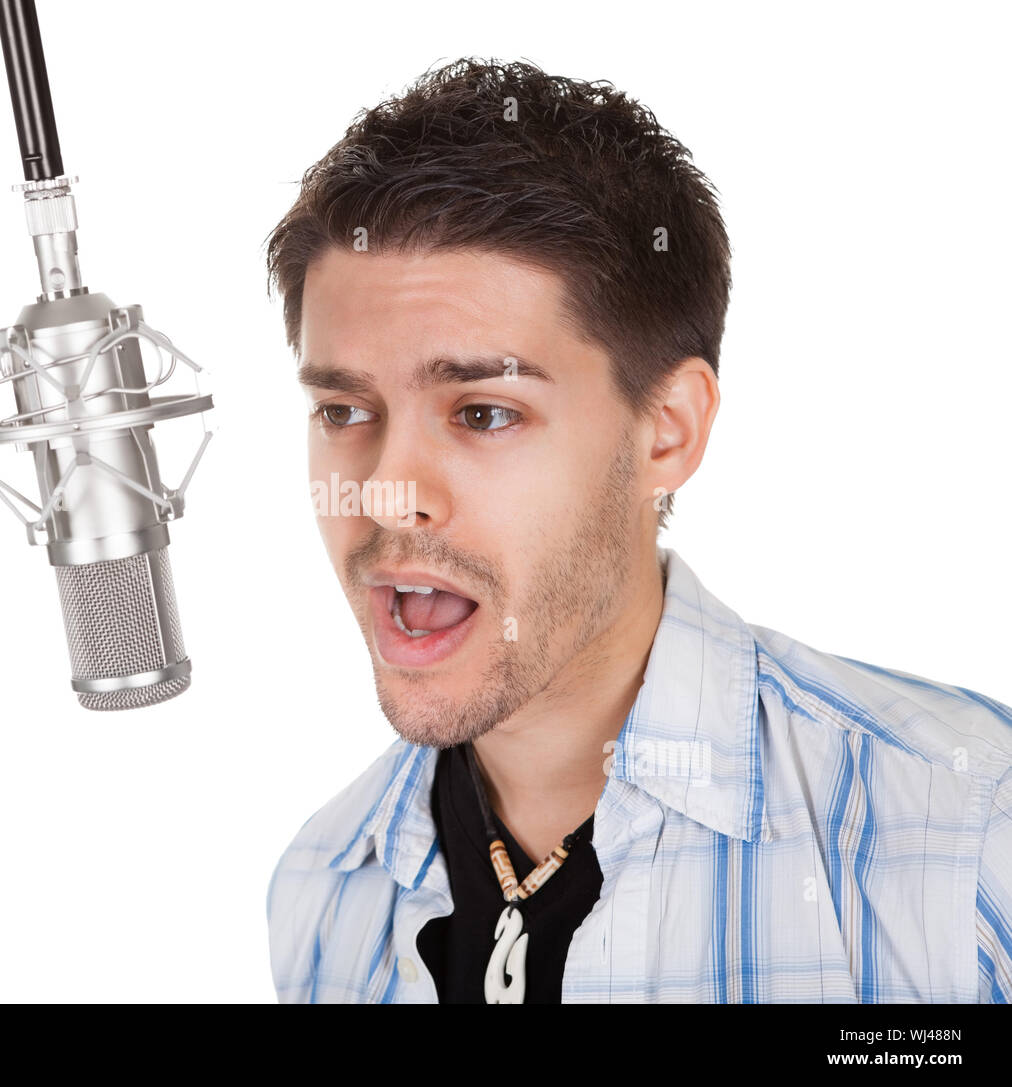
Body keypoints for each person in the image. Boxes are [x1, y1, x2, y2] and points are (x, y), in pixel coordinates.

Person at [261, 58, 1012, 1003]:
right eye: (342, 410)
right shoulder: (324, 887)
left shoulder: (969, 831)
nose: (383, 496)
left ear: (668, 430)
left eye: (483, 412)